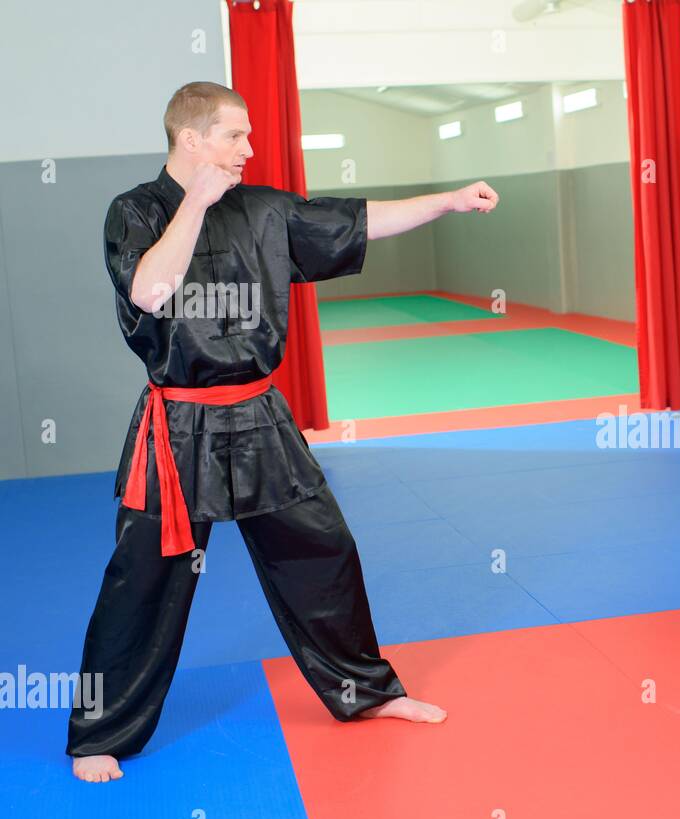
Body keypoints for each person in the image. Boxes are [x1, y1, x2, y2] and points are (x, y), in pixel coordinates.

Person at [68, 81, 500, 783]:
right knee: (140, 577)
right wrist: (197, 204)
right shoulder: (134, 212)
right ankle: (99, 733)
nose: (249, 148)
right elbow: (150, 291)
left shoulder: (265, 211)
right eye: (234, 136)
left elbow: (356, 220)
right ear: (191, 139)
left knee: (323, 548)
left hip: (261, 416)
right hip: (177, 425)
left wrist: (445, 202)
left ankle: (366, 694)